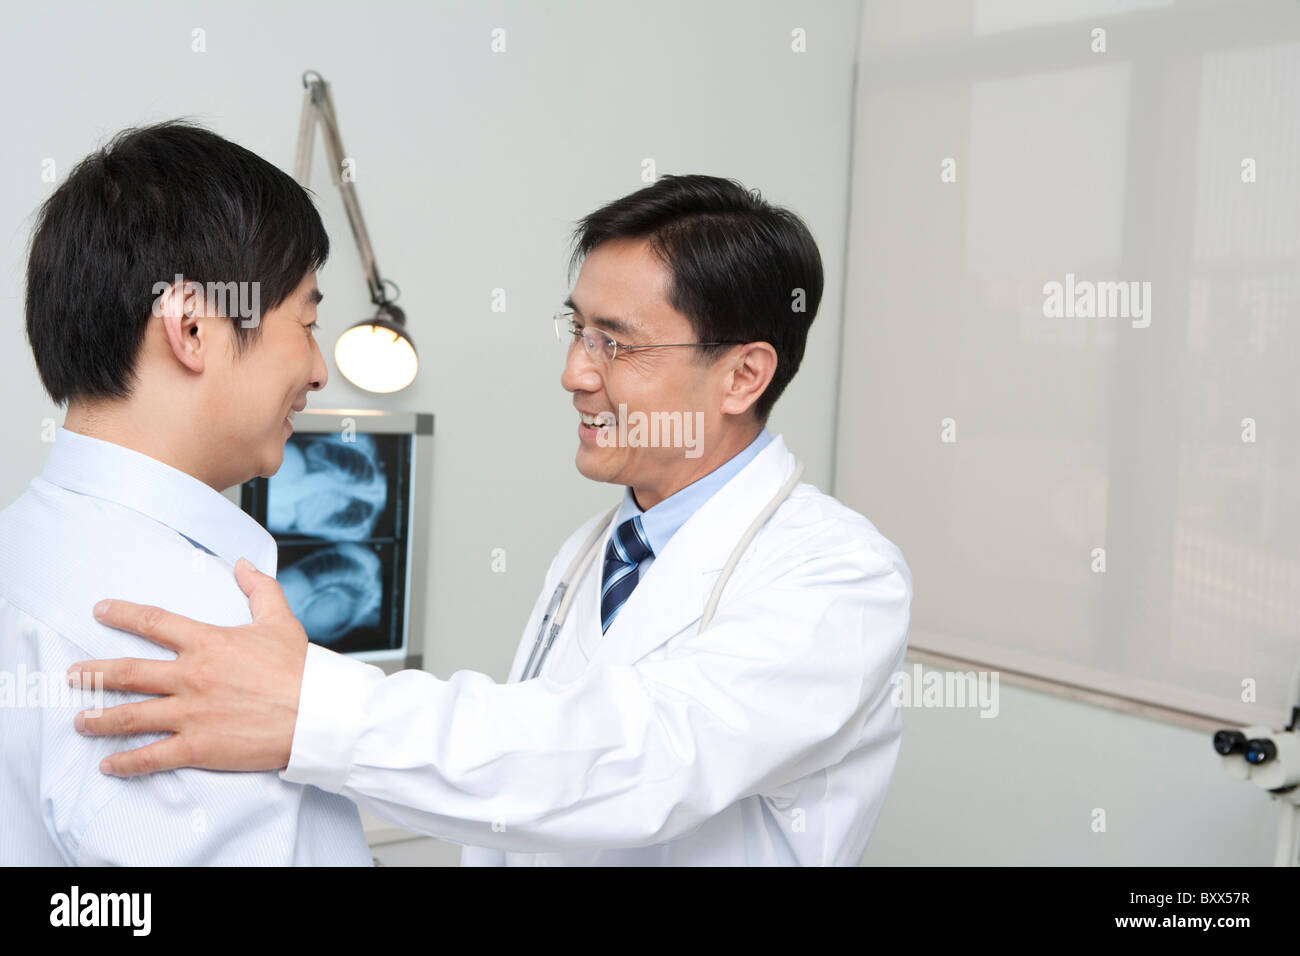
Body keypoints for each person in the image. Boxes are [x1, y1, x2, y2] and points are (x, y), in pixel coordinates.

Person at [76, 174, 913, 865]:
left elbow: (640, 765)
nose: (574, 374)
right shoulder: (596, 550)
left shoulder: (838, 578)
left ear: (742, 377)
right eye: (576, 330)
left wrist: (310, 708)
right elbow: (520, 797)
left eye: (615, 344)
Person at [0, 120, 372, 865]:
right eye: (306, 321)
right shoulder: (184, 633)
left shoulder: (24, 544)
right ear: (194, 328)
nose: (320, 370)